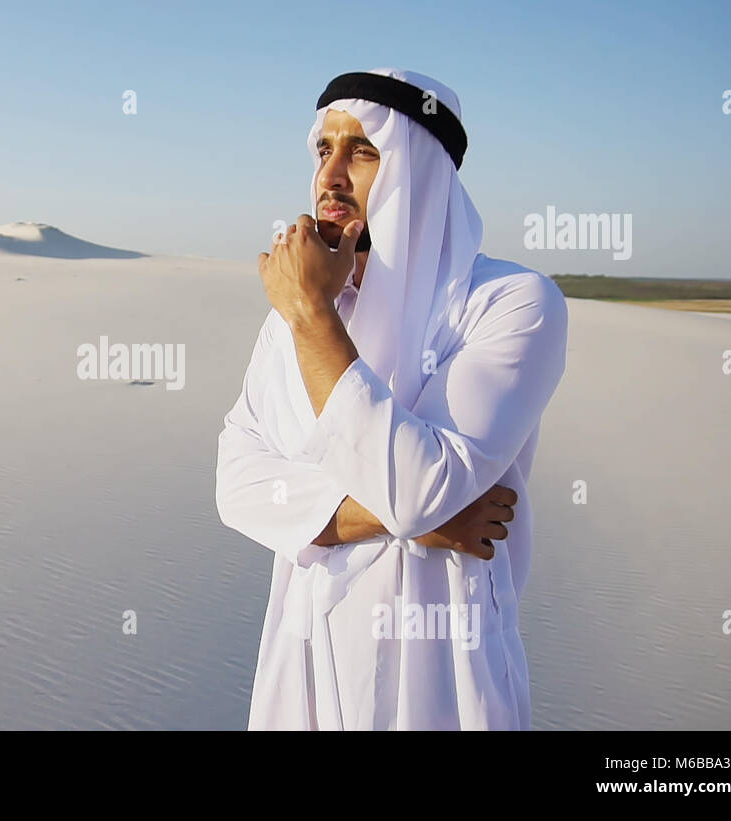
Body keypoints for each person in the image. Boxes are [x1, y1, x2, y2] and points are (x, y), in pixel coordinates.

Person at [215, 68, 569, 730]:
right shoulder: (291, 314)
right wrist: (410, 520)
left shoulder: (510, 303)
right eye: (324, 149)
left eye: (363, 150)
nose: (331, 176)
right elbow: (236, 486)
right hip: (303, 677)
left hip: (441, 685)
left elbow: (413, 487)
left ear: (421, 173)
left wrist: (315, 320)